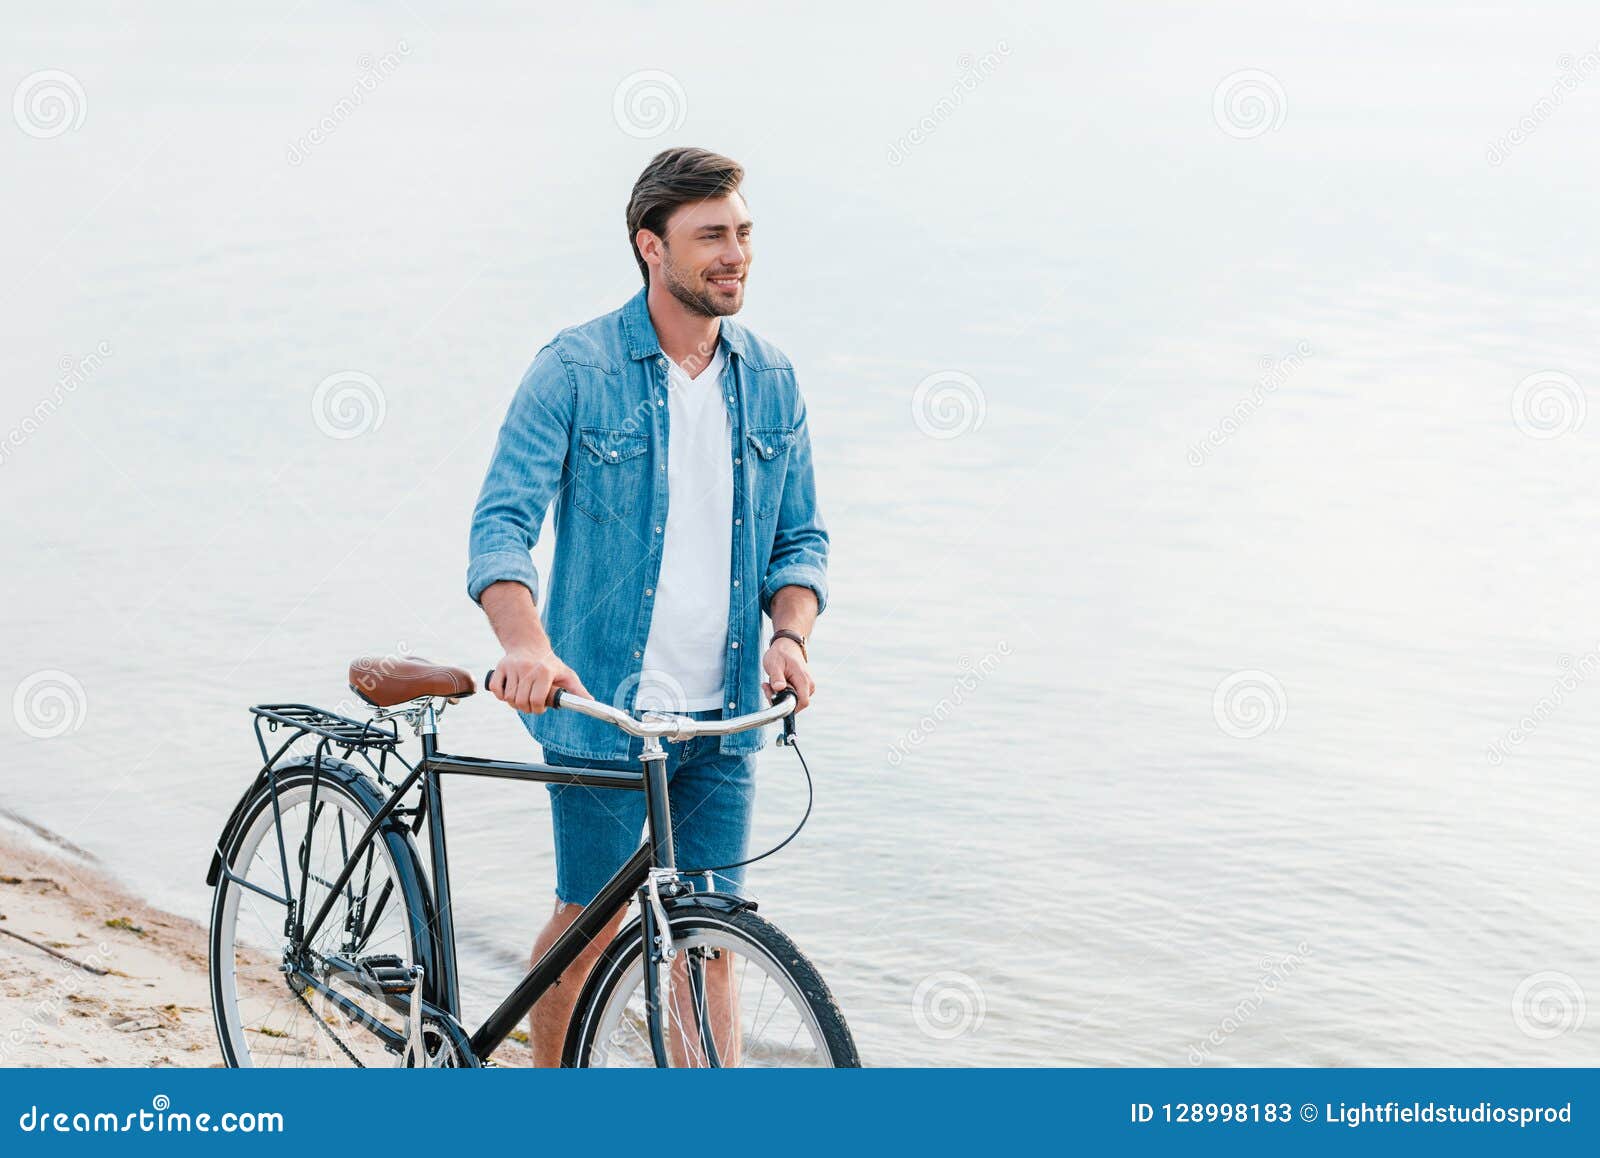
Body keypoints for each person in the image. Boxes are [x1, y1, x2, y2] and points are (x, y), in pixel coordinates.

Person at [466, 146, 829, 1065]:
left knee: (708, 938)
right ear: (649, 247)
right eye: (711, 236)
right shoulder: (576, 369)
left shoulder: (773, 378)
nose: (734, 254)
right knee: (589, 927)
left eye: (742, 233)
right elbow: (503, 523)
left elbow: (800, 542)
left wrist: (788, 635)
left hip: (725, 716)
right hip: (600, 709)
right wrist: (526, 644)